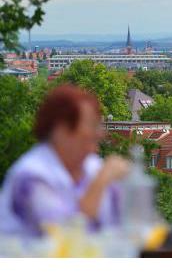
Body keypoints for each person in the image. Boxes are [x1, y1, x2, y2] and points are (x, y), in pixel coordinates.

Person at [0, 85, 130, 236]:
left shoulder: (92, 166)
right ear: (61, 131)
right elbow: (64, 239)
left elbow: (126, 224)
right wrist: (101, 181)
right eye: (92, 125)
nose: (100, 134)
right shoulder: (31, 178)